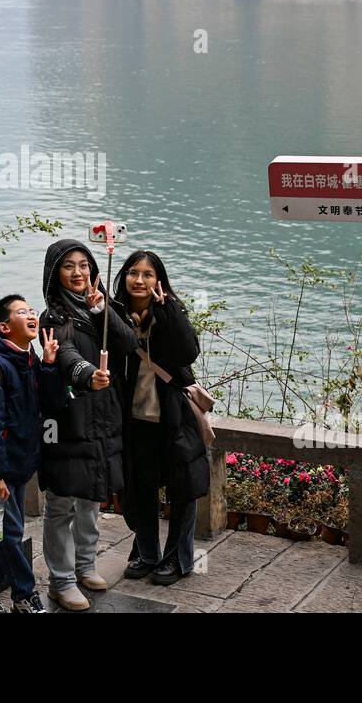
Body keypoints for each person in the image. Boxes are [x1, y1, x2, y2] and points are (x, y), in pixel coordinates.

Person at [38, 239, 138, 611]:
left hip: (103, 416)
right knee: (62, 501)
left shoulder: (103, 309)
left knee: (91, 497)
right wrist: (87, 375)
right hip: (68, 417)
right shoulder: (52, 317)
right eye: (68, 267)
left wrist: (101, 310)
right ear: (55, 274)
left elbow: (127, 344)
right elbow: (65, 355)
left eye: (83, 265)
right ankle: (60, 581)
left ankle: (85, 566)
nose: (78, 273)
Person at [112, 250, 208, 585]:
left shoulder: (169, 311)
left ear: (159, 280)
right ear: (123, 277)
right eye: (133, 273)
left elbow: (188, 351)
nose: (139, 280)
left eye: (148, 274)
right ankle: (145, 551)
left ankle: (177, 559)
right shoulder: (115, 314)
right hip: (134, 418)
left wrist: (167, 311)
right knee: (141, 487)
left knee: (182, 486)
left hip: (173, 414)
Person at [0, 294, 65, 613]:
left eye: (31, 310)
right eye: (22, 312)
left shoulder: (28, 359)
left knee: (1, 532)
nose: (32, 314)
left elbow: (49, 404)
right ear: (5, 327)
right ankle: (25, 595)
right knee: (9, 533)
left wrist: (49, 364)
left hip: (18, 467)